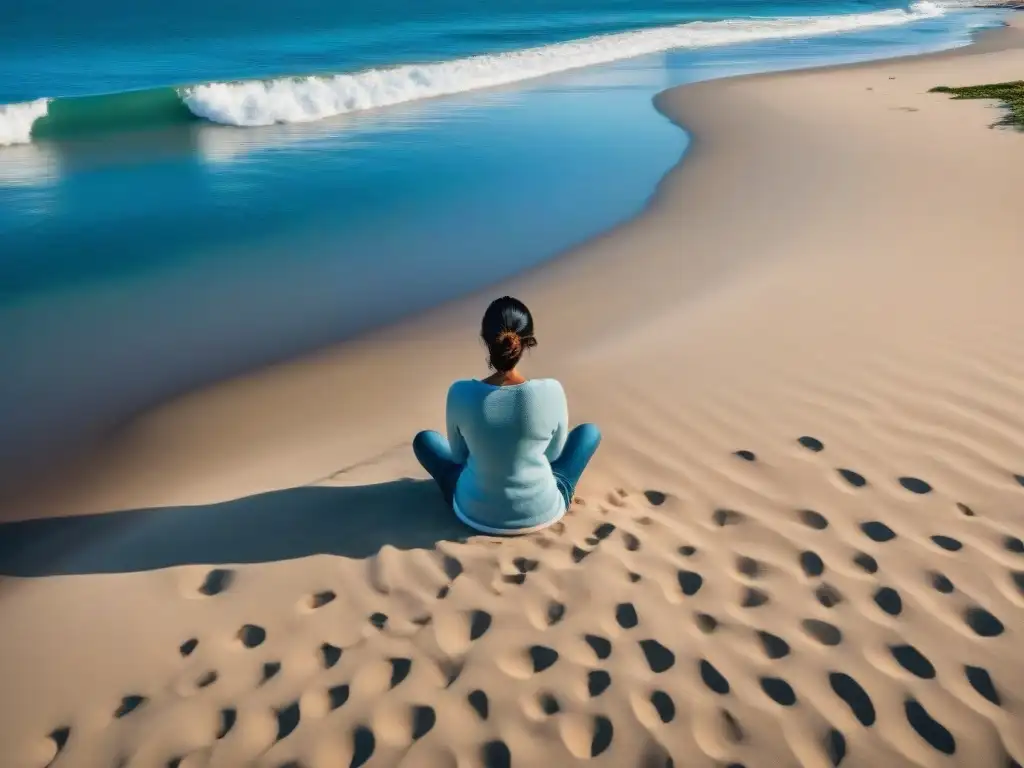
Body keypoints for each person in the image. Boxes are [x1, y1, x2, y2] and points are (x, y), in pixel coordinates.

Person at [413, 296, 601, 534]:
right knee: (589, 433)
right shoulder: (551, 390)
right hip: (543, 509)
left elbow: (460, 457)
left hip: (473, 512)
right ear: (527, 342)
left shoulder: (460, 392)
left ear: (486, 340)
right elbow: (553, 455)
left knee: (425, 440)